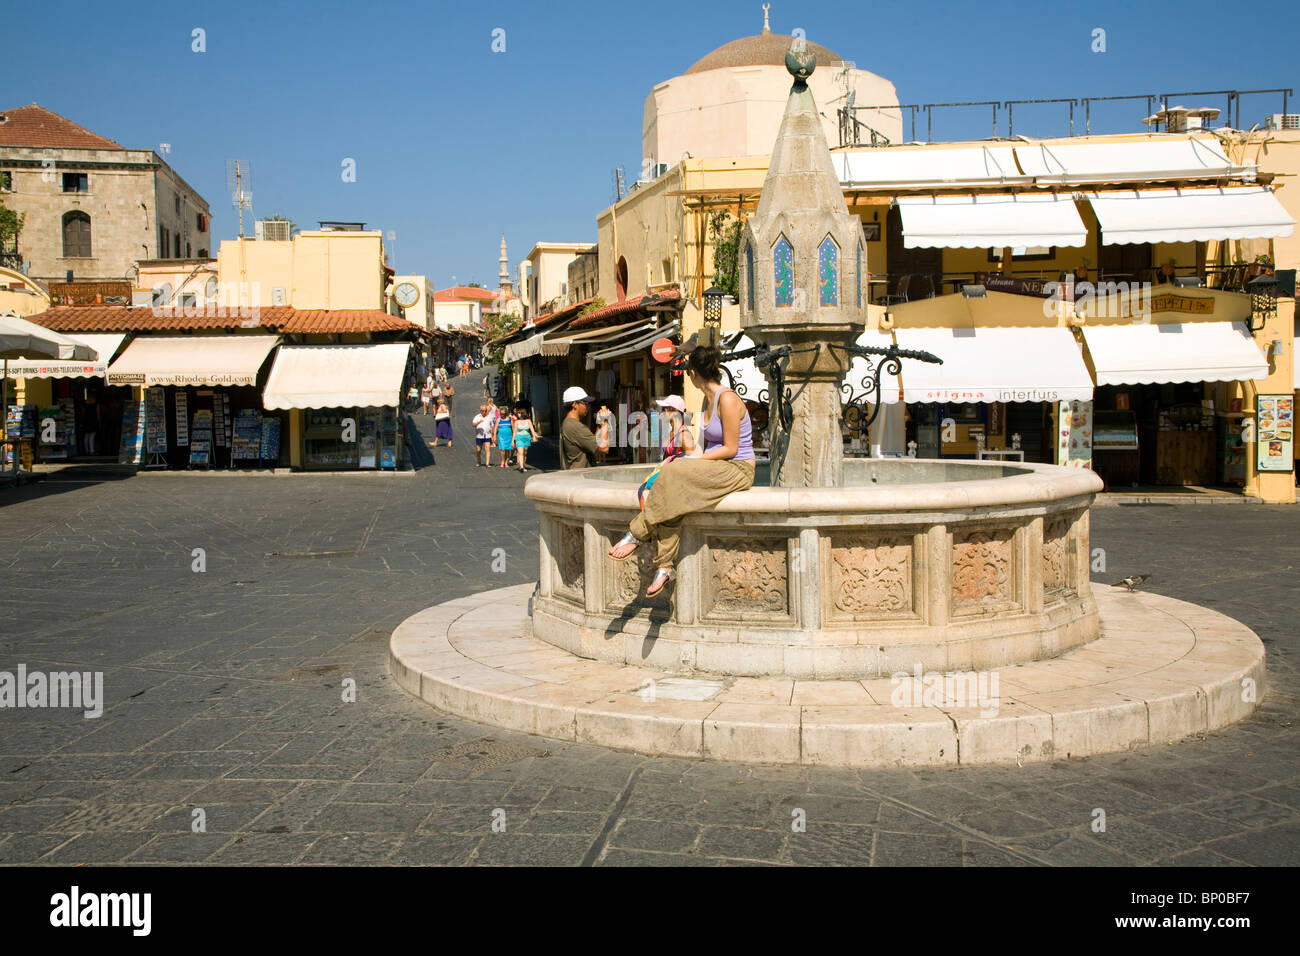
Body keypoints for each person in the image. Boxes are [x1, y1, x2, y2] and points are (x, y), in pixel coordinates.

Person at [608, 346, 756, 597]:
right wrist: (694, 462)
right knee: (673, 493)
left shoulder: (727, 398)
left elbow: (731, 448)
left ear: (692, 373)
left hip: (738, 469)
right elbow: (710, 444)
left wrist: (694, 462)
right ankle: (665, 567)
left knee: (673, 474)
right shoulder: (707, 399)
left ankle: (635, 533)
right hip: (717, 466)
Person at [559, 386, 605, 470]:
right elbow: (602, 448)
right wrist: (604, 423)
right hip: (580, 478)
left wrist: (599, 424)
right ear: (575, 404)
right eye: (585, 403)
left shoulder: (568, 423)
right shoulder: (575, 426)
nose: (587, 406)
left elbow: (594, 446)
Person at [655, 395, 696, 459]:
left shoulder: (684, 435)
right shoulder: (674, 431)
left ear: (674, 412)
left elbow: (694, 460)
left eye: (664, 409)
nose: (661, 413)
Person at [512, 403, 535, 472]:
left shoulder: (528, 421)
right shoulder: (517, 422)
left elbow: (532, 429)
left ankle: (523, 466)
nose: (518, 414)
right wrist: (513, 440)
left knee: (525, 453)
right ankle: (521, 467)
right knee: (520, 452)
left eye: (519, 413)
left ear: (523, 413)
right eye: (518, 413)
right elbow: (514, 432)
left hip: (527, 438)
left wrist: (534, 437)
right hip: (519, 438)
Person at [495, 403, 515, 468]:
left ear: (506, 413)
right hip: (501, 436)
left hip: (509, 436)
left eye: (503, 414)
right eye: (501, 414)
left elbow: (514, 428)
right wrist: (494, 436)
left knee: (507, 450)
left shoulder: (509, 419)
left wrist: (514, 437)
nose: (502, 415)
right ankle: (502, 461)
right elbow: (495, 428)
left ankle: (506, 462)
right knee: (502, 449)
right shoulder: (498, 420)